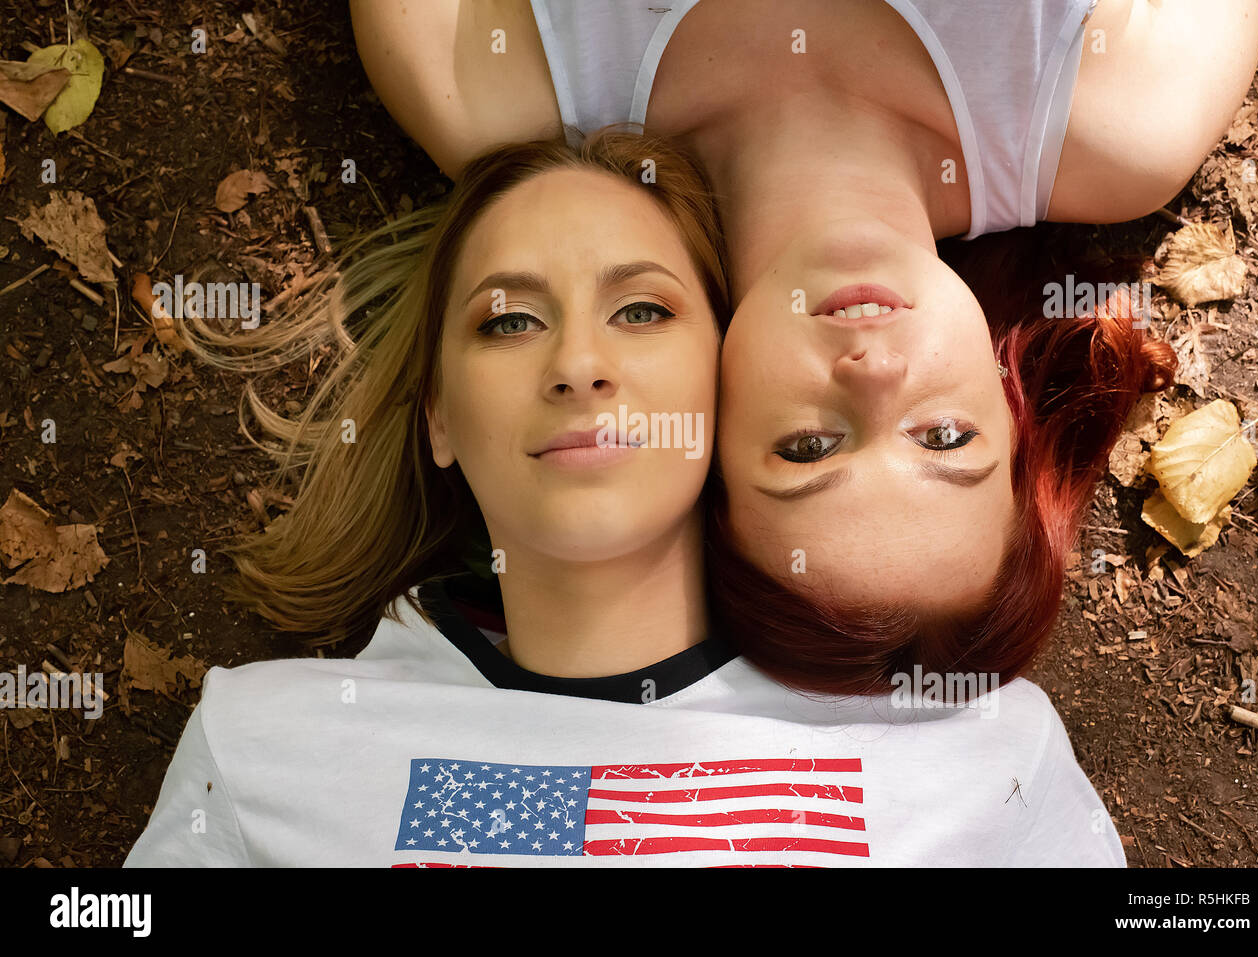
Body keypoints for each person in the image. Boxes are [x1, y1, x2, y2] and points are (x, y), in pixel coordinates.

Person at [121, 124, 1122, 868]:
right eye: (507, 322)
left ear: (723, 379)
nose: (577, 365)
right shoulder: (261, 750)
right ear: (439, 419)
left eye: (641, 310)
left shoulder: (980, 754)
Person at [348, 0, 1258, 696]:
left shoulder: (496, 94)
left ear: (707, 441)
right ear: (1010, 403)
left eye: (809, 447)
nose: (874, 372)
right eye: (946, 437)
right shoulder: (1128, 116)